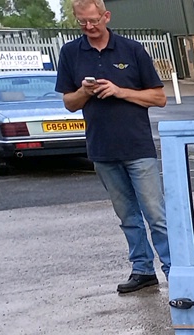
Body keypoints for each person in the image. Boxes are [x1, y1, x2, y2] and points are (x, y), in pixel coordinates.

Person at [55, 0, 170, 294]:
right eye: (82, 22)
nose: (89, 27)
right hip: (102, 150)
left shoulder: (132, 50)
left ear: (106, 16)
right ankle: (143, 270)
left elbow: (159, 98)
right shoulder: (70, 53)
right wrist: (84, 91)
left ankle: (175, 270)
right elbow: (69, 103)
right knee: (127, 216)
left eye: (94, 20)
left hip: (138, 148)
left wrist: (120, 91)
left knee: (156, 215)